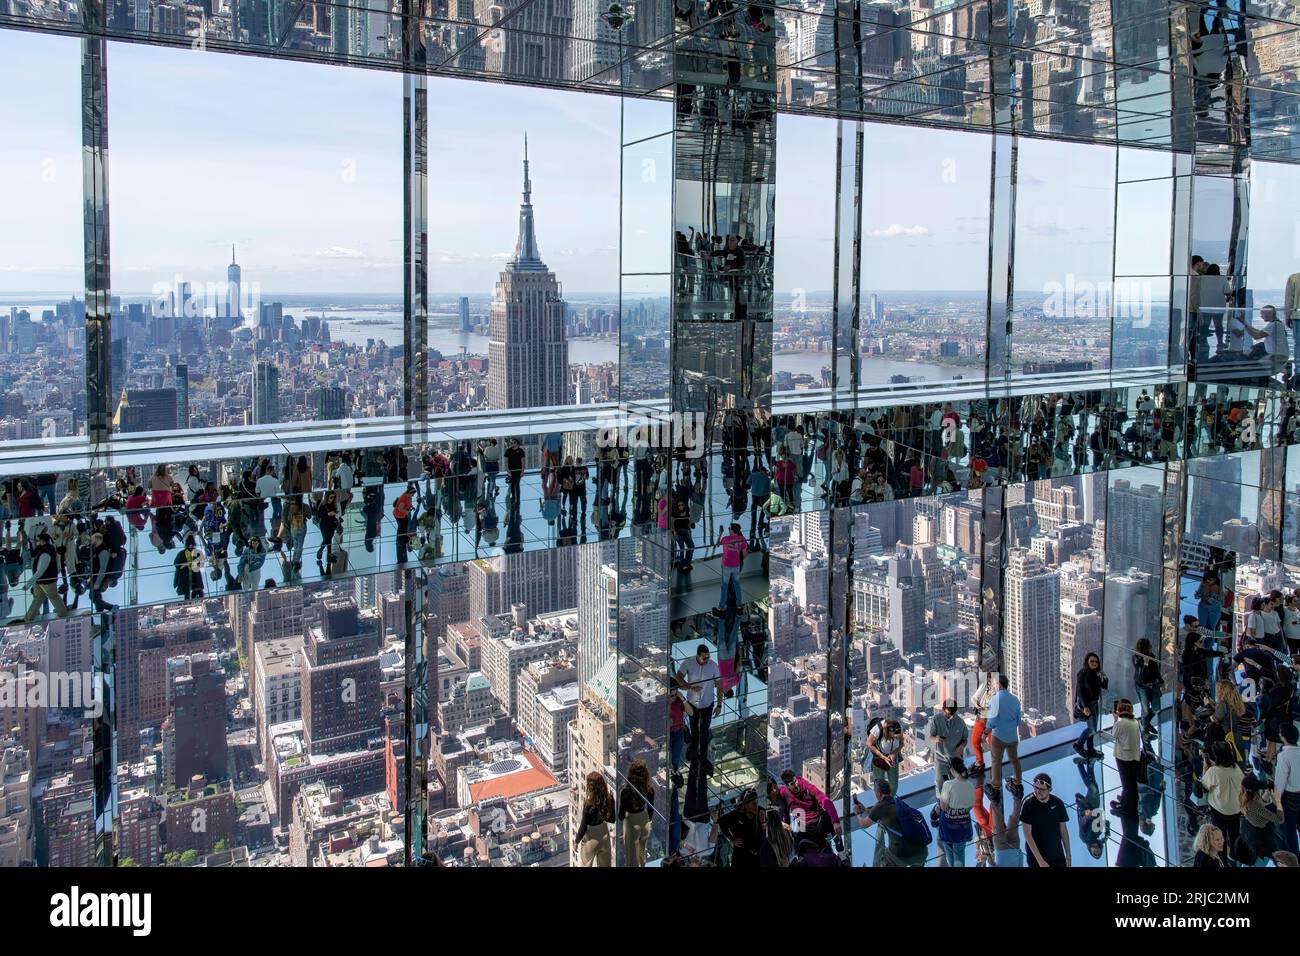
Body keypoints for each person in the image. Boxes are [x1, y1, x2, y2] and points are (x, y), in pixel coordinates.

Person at [856, 779, 927, 867]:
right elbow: (878, 814)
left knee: (886, 858)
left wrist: (858, 814)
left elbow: (864, 824)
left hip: (903, 855)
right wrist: (865, 810)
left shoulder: (880, 806)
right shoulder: (898, 803)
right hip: (922, 852)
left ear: (878, 793)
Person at [675, 644, 722, 768]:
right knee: (694, 729)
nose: (706, 660)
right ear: (698, 656)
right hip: (692, 703)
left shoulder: (713, 666)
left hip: (707, 704)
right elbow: (678, 677)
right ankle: (694, 753)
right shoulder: (688, 663)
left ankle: (704, 758)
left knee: (704, 731)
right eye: (704, 658)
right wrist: (689, 687)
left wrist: (719, 705)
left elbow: (720, 684)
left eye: (708, 657)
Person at [1202, 740, 1244, 863]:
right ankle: (1236, 858)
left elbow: (1204, 786)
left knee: (1220, 838)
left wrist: (1206, 768)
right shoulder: (1236, 768)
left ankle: (1222, 861)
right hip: (1236, 809)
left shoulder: (1214, 771)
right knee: (1235, 834)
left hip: (1220, 810)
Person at [778, 769, 842, 847]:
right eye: (792, 784)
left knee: (827, 814)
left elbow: (825, 800)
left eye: (795, 781)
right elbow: (784, 810)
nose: (796, 784)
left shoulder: (807, 787)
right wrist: (785, 825)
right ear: (787, 786)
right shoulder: (784, 792)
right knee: (801, 846)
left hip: (818, 822)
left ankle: (839, 845)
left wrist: (836, 822)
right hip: (804, 828)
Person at [1021, 772, 1071, 868]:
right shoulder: (1028, 805)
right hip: (1036, 857)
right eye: (1035, 788)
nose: (1038, 791)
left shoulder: (1057, 803)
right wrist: (1040, 861)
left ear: (1050, 790)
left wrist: (1068, 855)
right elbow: (1027, 834)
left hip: (1056, 854)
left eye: (1042, 789)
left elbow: (1063, 830)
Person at [985, 674, 1023, 796]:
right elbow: (1018, 720)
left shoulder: (995, 699)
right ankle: (1017, 782)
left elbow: (992, 721)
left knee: (996, 761)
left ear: (999, 684)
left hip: (999, 737)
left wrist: (985, 733)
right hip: (1012, 736)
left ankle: (995, 787)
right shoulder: (1015, 699)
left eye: (996, 684)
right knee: (1014, 759)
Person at [927, 697, 967, 801]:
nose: (949, 716)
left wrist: (962, 746)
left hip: (956, 759)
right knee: (940, 785)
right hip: (941, 758)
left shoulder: (960, 722)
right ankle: (940, 807)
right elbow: (930, 737)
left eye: (951, 714)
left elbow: (965, 739)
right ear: (943, 709)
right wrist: (936, 739)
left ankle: (955, 805)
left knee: (957, 785)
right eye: (947, 713)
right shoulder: (936, 719)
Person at [938, 756, 975, 867]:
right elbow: (970, 806)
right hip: (964, 825)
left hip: (949, 826)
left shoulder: (948, 785)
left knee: (949, 851)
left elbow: (943, 807)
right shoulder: (970, 785)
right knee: (959, 853)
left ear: (952, 769)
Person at [1111, 699, 1143, 820]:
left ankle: (1127, 809)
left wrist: (1115, 719)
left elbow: (1113, 734)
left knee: (1127, 784)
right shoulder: (1134, 721)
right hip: (1134, 756)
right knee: (1131, 783)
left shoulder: (1121, 723)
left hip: (1123, 757)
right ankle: (1125, 802)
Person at [1073, 652, 1108, 759]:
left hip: (1094, 702)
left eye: (1096, 661)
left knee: (1093, 728)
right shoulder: (1082, 673)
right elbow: (1080, 691)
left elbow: (1104, 686)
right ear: (1087, 661)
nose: (1094, 663)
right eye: (1092, 661)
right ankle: (1078, 745)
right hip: (1087, 704)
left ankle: (1091, 749)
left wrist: (1104, 677)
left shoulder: (1097, 674)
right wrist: (1085, 706)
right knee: (1092, 729)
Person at [619, 761, 654, 867]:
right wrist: (647, 819)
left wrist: (625, 818)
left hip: (631, 821)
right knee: (642, 853)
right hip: (644, 820)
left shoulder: (625, 792)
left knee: (631, 856)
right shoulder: (649, 789)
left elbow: (620, 815)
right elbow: (651, 810)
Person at [718, 787, 766, 867]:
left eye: (757, 802)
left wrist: (763, 818)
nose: (756, 806)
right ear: (745, 804)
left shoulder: (759, 811)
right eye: (753, 804)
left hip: (758, 856)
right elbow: (721, 821)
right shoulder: (736, 815)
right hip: (741, 857)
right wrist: (731, 839)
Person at [575, 772, 614, 867]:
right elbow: (612, 819)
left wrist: (576, 842)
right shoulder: (610, 798)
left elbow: (583, 827)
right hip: (604, 835)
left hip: (590, 838)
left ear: (590, 787)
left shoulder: (588, 804)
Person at [1275, 721, 1300, 858]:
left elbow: (1280, 782)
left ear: (1283, 737)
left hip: (1289, 798)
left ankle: (1295, 859)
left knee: (1290, 831)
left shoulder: (1284, 756)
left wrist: (1277, 802)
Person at [865, 718, 904, 797]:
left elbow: (901, 743)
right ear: (887, 731)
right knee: (879, 783)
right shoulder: (877, 729)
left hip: (893, 756)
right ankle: (881, 802)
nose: (894, 738)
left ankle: (891, 800)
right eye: (893, 736)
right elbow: (869, 743)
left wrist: (894, 753)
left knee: (894, 782)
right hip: (879, 757)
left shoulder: (899, 728)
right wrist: (882, 756)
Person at [1133, 637, 1163, 737]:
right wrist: (1146, 663)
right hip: (1142, 686)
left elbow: (1156, 670)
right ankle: (1145, 729)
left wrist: (1160, 679)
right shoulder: (1137, 658)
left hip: (1153, 685)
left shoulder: (1151, 656)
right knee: (1145, 709)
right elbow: (1142, 677)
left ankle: (1145, 723)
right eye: (1149, 647)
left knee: (1156, 708)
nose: (1151, 648)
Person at [717, 521, 748, 609]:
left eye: (729, 528)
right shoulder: (742, 539)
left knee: (724, 586)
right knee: (737, 585)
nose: (728, 529)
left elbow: (717, 545)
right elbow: (744, 554)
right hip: (736, 565)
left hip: (726, 565)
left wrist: (720, 534)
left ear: (732, 530)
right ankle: (739, 605)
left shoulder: (726, 538)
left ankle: (721, 607)